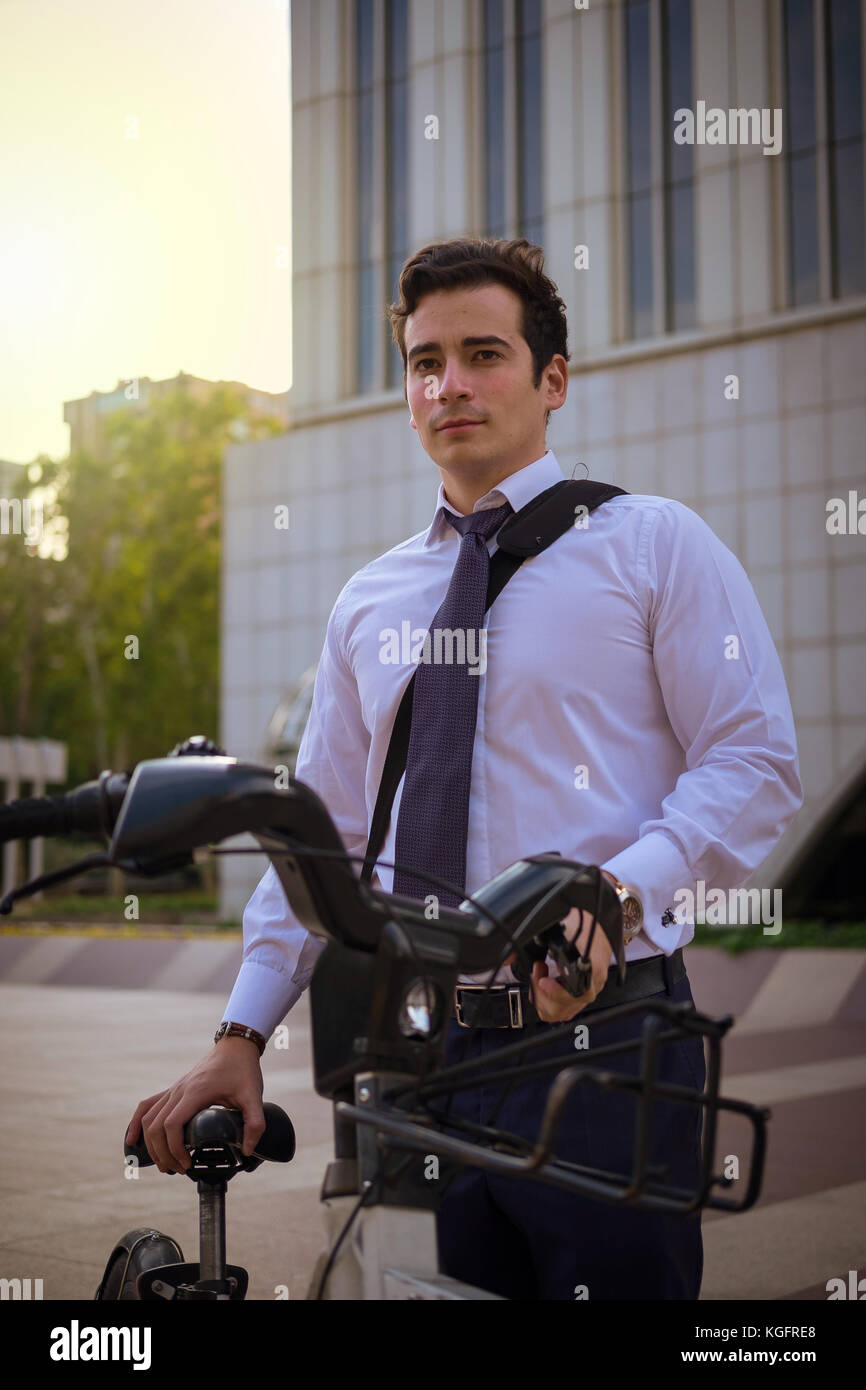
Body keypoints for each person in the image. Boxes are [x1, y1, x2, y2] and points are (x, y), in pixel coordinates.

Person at [127, 237, 802, 1300]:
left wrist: (617, 896)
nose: (449, 384)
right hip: (413, 1058)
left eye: (483, 353)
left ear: (551, 380)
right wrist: (239, 1032)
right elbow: (327, 836)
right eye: (423, 360)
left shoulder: (651, 544)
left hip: (602, 1043)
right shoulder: (370, 600)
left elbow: (754, 757)